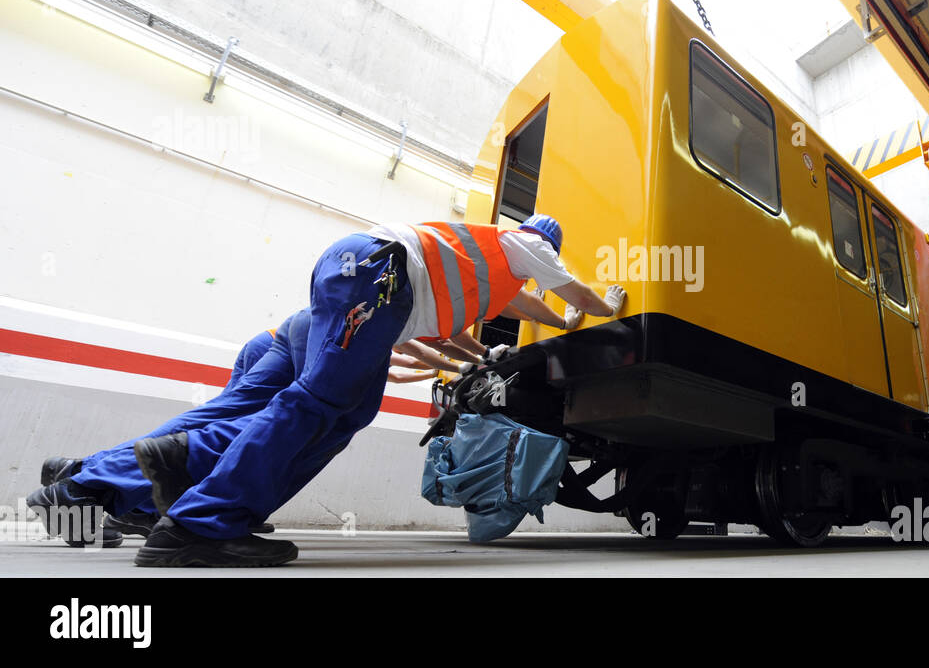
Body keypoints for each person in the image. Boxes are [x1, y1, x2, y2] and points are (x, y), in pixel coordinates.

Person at [134, 214, 625, 567]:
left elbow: (523, 314)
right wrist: (606, 306)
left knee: (349, 411)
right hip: (377, 274)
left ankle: (223, 506)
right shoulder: (523, 242)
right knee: (318, 402)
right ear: (544, 244)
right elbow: (573, 293)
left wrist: (538, 333)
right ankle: (197, 513)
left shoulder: (486, 274)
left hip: (363, 271)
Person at [28, 314, 449, 546]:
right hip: (290, 341)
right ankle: (94, 486)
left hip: (275, 337)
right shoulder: (405, 309)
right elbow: (409, 358)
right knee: (285, 426)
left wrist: (442, 369)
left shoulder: (373, 300)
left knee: (222, 418)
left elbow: (393, 370)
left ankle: (89, 477)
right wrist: (454, 367)